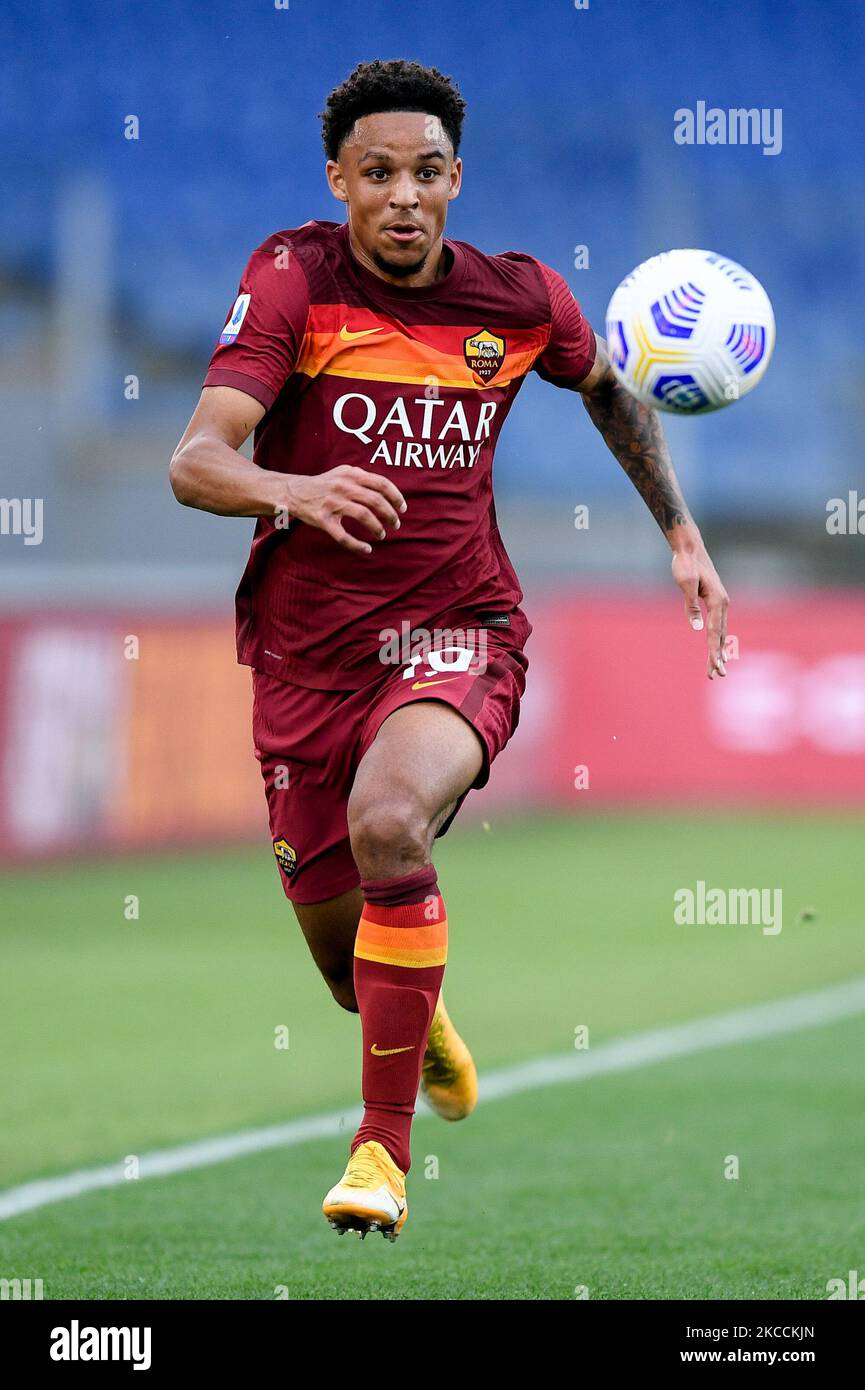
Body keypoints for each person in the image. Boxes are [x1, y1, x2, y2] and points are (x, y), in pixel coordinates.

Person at [169, 58, 729, 1242]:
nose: (405, 196)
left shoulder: (517, 298)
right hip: (304, 659)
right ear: (340, 181)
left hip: (456, 631)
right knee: (343, 965)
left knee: (389, 825)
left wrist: (680, 534)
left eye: (427, 173)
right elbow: (197, 461)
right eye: (378, 174)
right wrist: (296, 487)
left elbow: (611, 392)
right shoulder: (290, 281)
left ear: (456, 179)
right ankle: (414, 1019)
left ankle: (380, 1153)